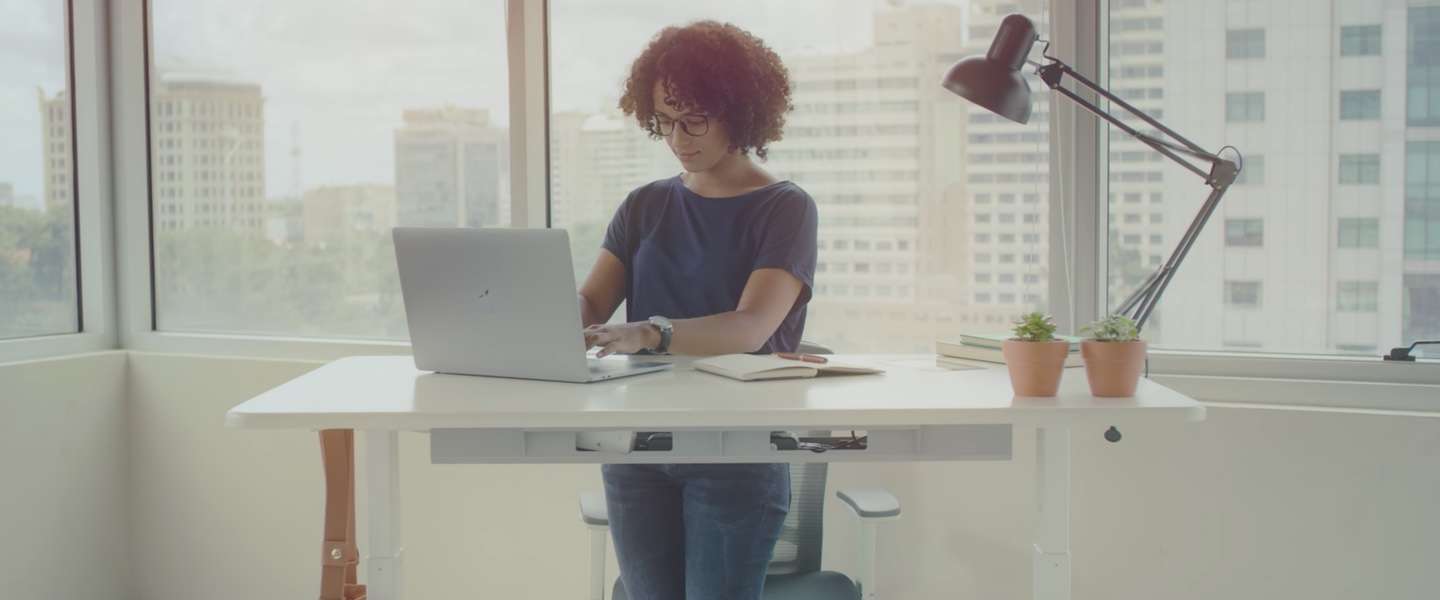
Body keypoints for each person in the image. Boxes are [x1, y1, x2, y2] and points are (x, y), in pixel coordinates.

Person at [577, 19, 818, 600]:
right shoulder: (644, 205)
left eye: (694, 120)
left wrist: (649, 334)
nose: (677, 138)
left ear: (740, 111)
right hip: (638, 450)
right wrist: (538, 311)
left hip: (735, 455)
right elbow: (590, 302)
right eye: (664, 120)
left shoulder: (785, 209)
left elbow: (751, 327)